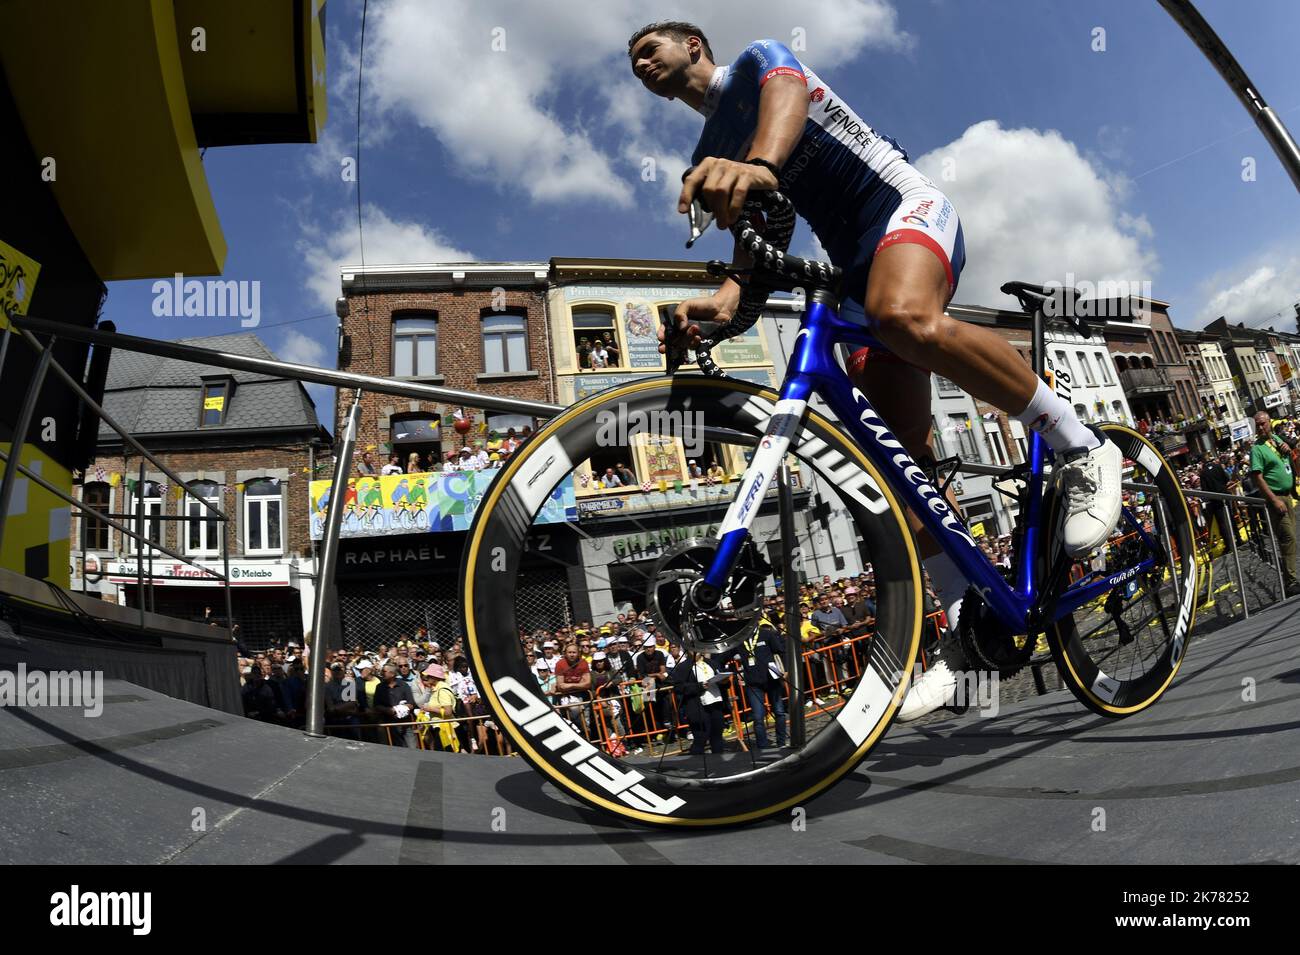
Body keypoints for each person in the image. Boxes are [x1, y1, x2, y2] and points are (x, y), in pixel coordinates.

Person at [634, 21, 1122, 721]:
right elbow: (759, 261)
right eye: (633, 62)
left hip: (906, 211)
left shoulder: (758, 64)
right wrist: (717, 309)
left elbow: (787, 104)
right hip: (855, 272)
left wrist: (763, 167)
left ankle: (1083, 444)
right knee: (902, 471)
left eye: (651, 48)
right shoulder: (710, 150)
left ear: (693, 44)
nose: (642, 64)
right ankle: (967, 629)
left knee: (904, 316)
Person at [1250, 411, 1300, 596]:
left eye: (1263, 423)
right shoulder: (1257, 449)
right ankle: (1291, 582)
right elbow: (1258, 477)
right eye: (1258, 425)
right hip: (1277, 498)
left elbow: (1289, 463)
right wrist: (1273, 499)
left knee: (1291, 536)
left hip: (1287, 495)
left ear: (1269, 423)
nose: (1261, 427)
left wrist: (1290, 451)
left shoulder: (1278, 440)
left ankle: (1292, 578)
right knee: (1288, 538)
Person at [739, 616, 787, 749]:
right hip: (753, 684)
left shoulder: (767, 634)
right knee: (758, 717)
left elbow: (781, 651)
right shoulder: (740, 640)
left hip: (771, 679)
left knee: (779, 712)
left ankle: (781, 742)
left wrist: (786, 669)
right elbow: (723, 657)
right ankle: (763, 747)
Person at [669, 652, 728, 755]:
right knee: (701, 737)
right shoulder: (683, 667)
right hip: (697, 707)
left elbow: (722, 679)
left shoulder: (711, 663)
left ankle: (719, 761)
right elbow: (678, 687)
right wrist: (699, 686)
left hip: (715, 703)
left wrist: (724, 682)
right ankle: (696, 761)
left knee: (717, 735)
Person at [371, 662, 417, 747]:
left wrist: (399, 709)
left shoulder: (404, 685)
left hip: (405, 723)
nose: (381, 673)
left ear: (392, 674)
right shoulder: (379, 687)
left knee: (413, 747)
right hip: (387, 724)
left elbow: (411, 703)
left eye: (384, 671)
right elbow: (376, 705)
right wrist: (388, 710)